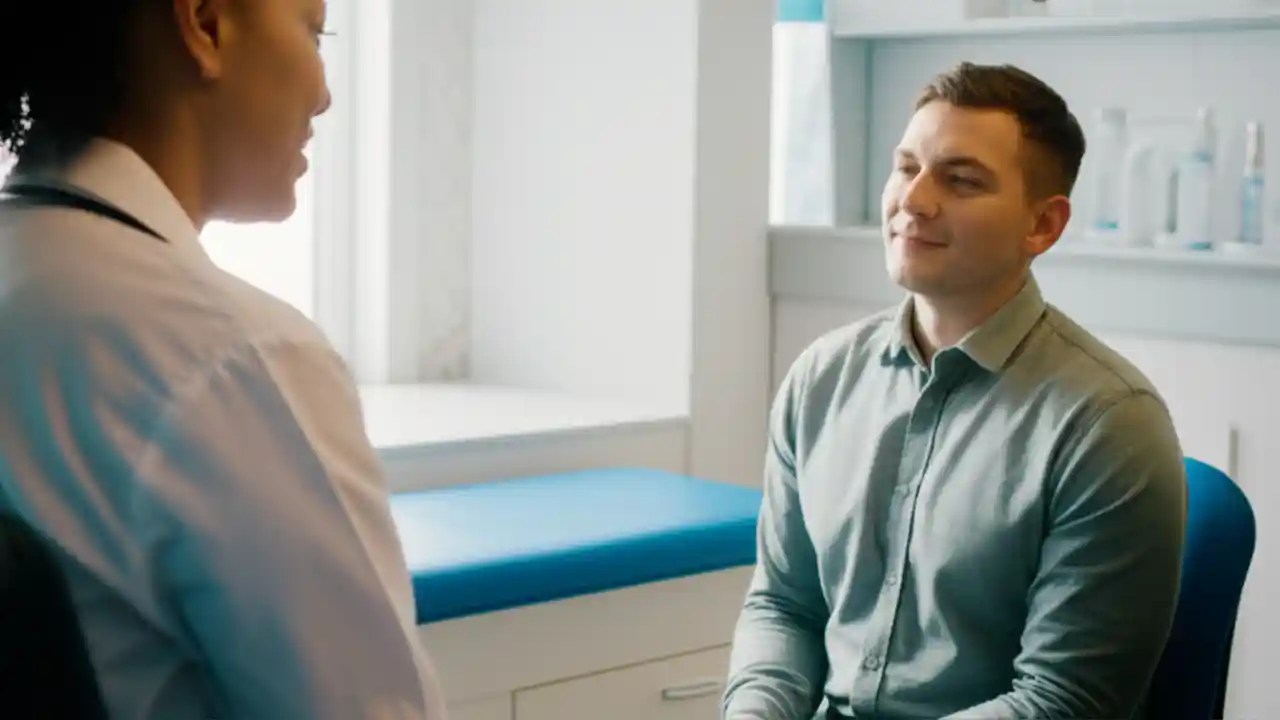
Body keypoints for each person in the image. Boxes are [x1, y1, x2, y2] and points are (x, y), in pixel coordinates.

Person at [0, 1, 447, 718]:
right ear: (204, 24)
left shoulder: (28, 279)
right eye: (313, 30)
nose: (325, 93)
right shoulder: (226, 355)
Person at [723, 62, 1187, 719]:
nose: (914, 200)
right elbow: (784, 605)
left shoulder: (1108, 424)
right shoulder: (820, 379)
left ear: (1043, 226)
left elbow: (1063, 702)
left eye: (961, 179)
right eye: (906, 166)